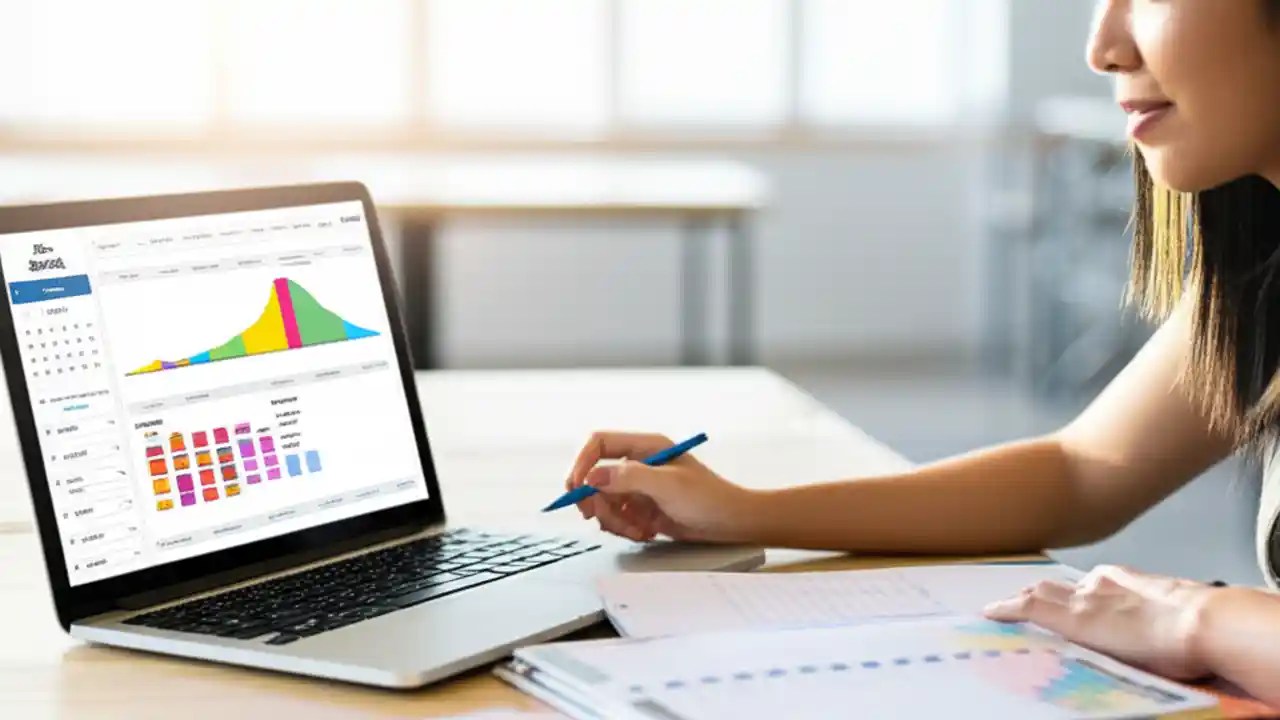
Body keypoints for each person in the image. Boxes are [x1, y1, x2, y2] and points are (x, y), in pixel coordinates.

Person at [561, 0, 1280, 706]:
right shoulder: (1262, 278)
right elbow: (1081, 474)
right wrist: (736, 511)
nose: (1103, 46)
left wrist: (1201, 619)